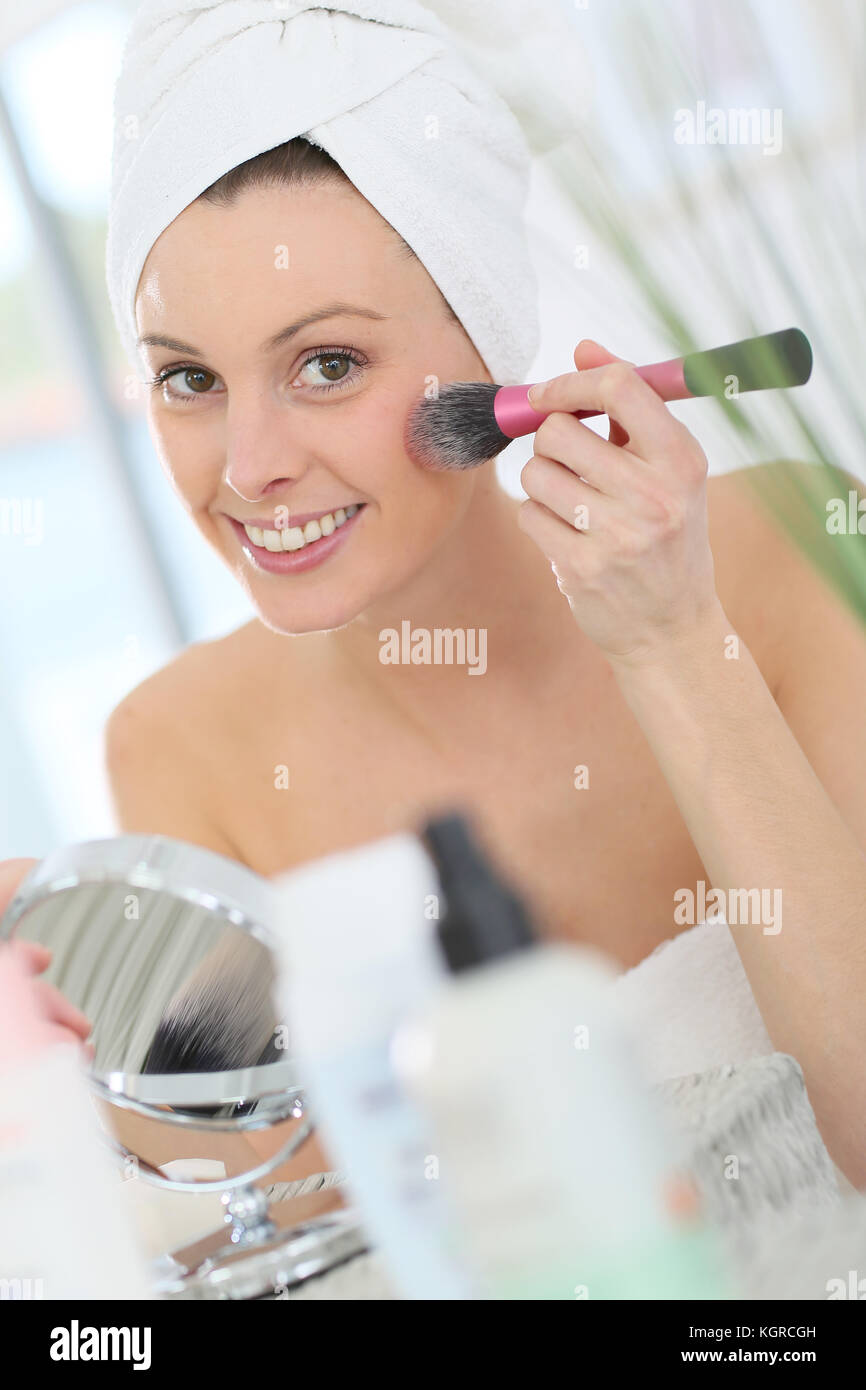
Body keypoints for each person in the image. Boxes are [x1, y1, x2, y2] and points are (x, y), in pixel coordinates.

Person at [8, 2, 866, 1191]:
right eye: (189, 378)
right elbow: (305, 1228)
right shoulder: (178, 745)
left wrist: (672, 643)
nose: (249, 465)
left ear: (486, 345)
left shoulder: (794, 543)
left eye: (326, 364)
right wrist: (85, 1050)